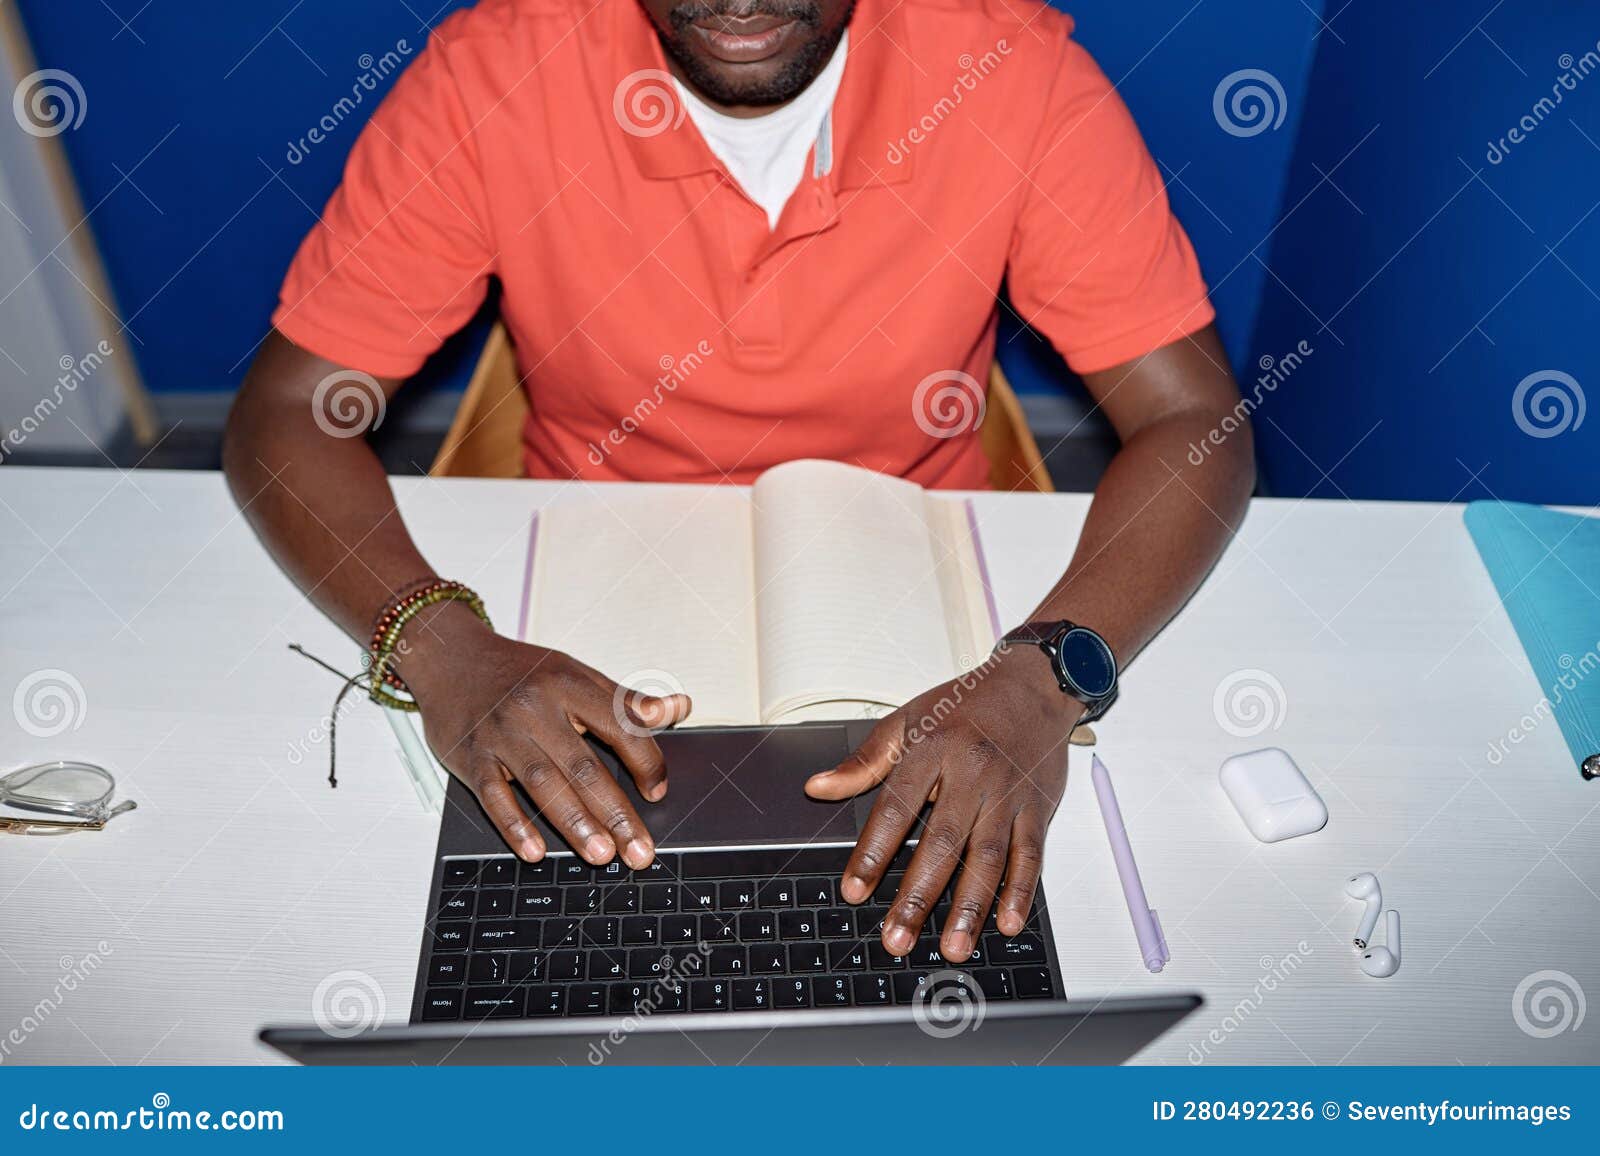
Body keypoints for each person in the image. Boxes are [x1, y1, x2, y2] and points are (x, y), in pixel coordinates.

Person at [223, 0, 1254, 966]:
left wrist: (1043, 677)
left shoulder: (1009, 68)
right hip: (575, 613)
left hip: (924, 618)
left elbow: (1191, 418)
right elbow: (287, 413)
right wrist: (440, 644)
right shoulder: (496, 70)